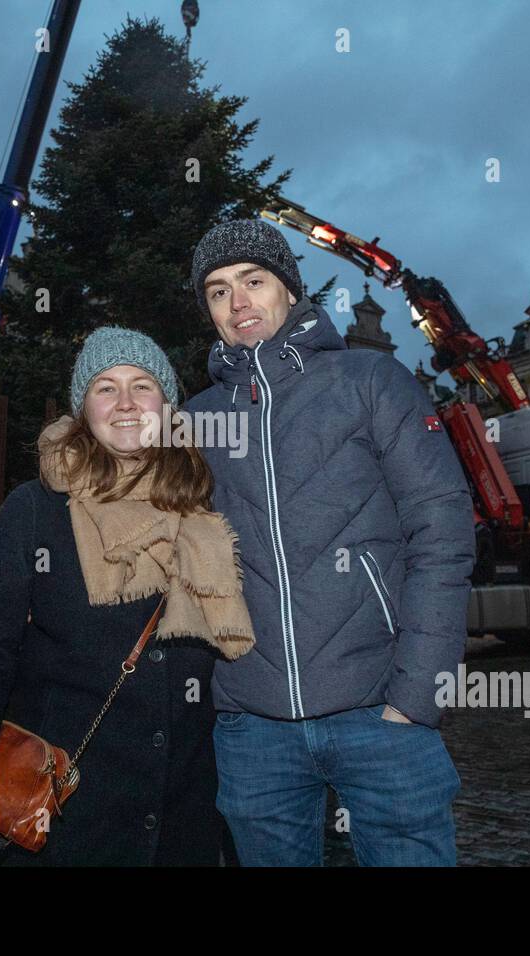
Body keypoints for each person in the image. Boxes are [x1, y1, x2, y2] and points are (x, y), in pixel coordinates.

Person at [183, 218, 477, 866]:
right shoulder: (197, 419)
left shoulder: (369, 382)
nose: (237, 303)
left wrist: (419, 692)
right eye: (217, 291)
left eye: (253, 281)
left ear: (288, 287)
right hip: (253, 729)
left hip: (380, 714)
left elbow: (442, 527)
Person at [0, 327, 254, 866]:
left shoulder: (205, 512)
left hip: (185, 822)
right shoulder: (37, 509)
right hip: (69, 819)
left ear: (167, 405)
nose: (125, 403)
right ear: (84, 409)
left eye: (142, 386)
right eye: (105, 388)